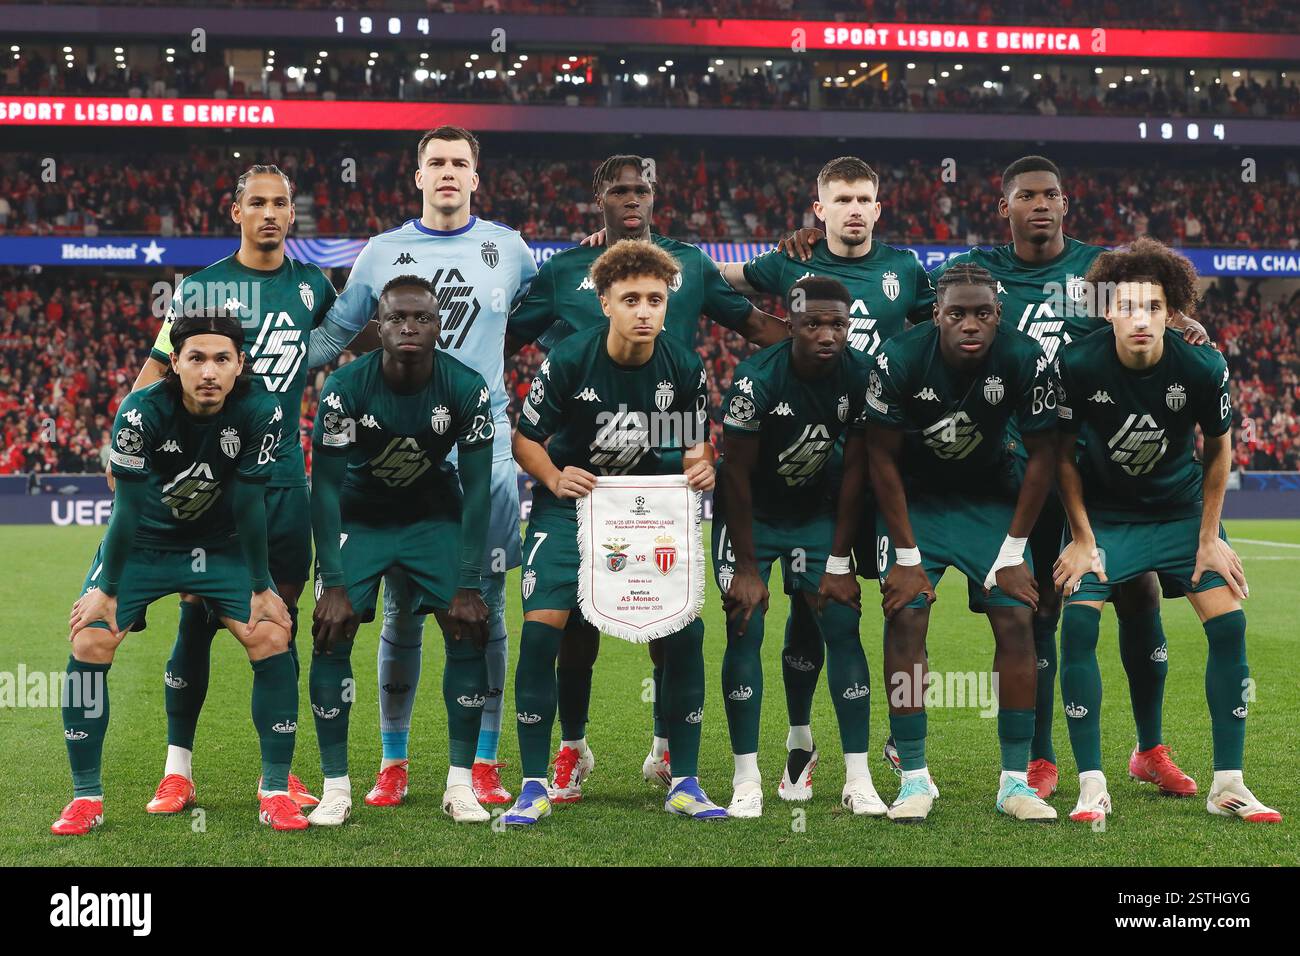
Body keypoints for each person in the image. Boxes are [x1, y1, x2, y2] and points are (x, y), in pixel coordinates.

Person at [507, 153, 786, 800]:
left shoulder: (688, 274)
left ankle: (669, 755)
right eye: (619, 189)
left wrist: (825, 344)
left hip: (657, 487)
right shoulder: (565, 274)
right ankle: (569, 751)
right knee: (568, 629)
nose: (632, 198)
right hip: (581, 478)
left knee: (673, 626)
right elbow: (506, 337)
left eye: (642, 189)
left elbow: (751, 324)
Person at [319, 127, 537, 809]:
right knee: (402, 609)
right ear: (418, 176)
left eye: (460, 163)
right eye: (436, 162)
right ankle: (393, 760)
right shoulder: (382, 253)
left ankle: (483, 761)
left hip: (486, 450)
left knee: (485, 607)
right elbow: (335, 333)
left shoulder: (512, 249)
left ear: (477, 176)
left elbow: (562, 308)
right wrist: (266, 375)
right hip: (397, 448)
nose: (448, 172)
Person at [121, 164, 342, 815]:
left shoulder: (314, 287)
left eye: (281, 203)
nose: (270, 214)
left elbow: (348, 347)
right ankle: (177, 770)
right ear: (236, 210)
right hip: (212, 489)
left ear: (292, 215)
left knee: (280, 622)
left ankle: (280, 774)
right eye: (258, 203)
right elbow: (156, 374)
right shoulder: (204, 288)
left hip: (284, 486)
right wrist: (126, 448)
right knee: (196, 620)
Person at [717, 156, 934, 800]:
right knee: (813, 613)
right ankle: (800, 741)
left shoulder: (906, 270)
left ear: (879, 206)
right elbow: (709, 275)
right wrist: (628, 246)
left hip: (876, 475)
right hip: (801, 479)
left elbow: (962, 314)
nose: (855, 209)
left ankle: (903, 739)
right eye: (843, 199)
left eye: (866, 198)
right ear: (821, 208)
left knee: (898, 610)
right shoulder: (789, 264)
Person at [1053, 238, 1280, 825]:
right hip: (1106, 518)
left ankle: (1228, 784)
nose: (1140, 319)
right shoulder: (1078, 364)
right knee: (1078, 621)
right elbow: (1061, 458)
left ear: (1170, 311)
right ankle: (1091, 785)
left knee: (1230, 623)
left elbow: (1221, 448)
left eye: (1153, 308)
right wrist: (1081, 538)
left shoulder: (1202, 365)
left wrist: (1210, 537)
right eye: (1127, 306)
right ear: (1107, 310)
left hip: (1180, 514)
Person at [53, 313, 302, 834]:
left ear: (240, 366)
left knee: (272, 633)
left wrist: (261, 586)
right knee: (90, 641)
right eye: (196, 358)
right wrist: (106, 588)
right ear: (176, 365)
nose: (208, 371)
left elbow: (253, 504)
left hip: (220, 544)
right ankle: (85, 798)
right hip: (145, 541)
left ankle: (275, 790)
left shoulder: (262, 410)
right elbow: (125, 509)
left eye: (221, 359)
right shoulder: (141, 411)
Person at [505, 239, 724, 825]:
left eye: (656, 298)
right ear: (605, 302)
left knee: (682, 631)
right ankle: (539, 777)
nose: (646, 310)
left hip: (649, 511)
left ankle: (684, 779)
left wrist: (699, 464)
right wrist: (553, 475)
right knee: (547, 631)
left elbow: (694, 445)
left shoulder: (682, 365)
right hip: (574, 506)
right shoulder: (571, 360)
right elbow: (524, 439)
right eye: (631, 299)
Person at [863, 263, 1059, 824]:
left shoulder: (1024, 357)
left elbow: (1044, 456)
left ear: (1000, 315)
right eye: (957, 313)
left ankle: (1015, 783)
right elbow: (879, 456)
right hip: (915, 504)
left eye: (982, 313)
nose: (970, 323)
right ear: (936, 314)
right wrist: (905, 557)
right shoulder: (898, 358)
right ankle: (914, 778)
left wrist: (1012, 552)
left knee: (1018, 618)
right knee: (906, 616)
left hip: (992, 502)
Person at [308, 275, 496, 824]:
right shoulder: (345, 387)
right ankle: (336, 786)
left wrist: (467, 581)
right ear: (378, 327)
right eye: (396, 318)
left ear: (439, 326)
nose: (409, 327)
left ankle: (460, 784)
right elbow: (323, 487)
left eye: (421, 318)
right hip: (361, 519)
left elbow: (478, 488)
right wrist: (336, 582)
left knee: (468, 627)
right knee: (330, 629)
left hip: (432, 517)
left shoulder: (466, 386)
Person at [715, 275, 883, 818]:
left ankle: (855, 775)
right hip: (752, 518)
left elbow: (857, 471)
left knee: (838, 619)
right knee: (745, 622)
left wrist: (838, 563)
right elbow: (734, 476)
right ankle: (746, 777)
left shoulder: (862, 375)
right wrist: (746, 567)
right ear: (791, 323)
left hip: (816, 513)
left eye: (838, 323)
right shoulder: (756, 378)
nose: (828, 334)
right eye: (813, 323)